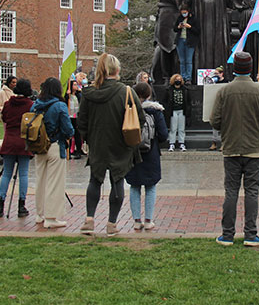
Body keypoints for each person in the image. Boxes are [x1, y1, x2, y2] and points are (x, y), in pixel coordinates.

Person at [211, 51, 259, 246]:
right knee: (252, 192)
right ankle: (250, 234)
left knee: (231, 191)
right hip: (255, 149)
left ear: (234, 68)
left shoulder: (224, 91)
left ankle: (227, 234)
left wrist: (227, 130)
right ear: (250, 68)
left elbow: (215, 120)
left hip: (231, 148)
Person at [78, 53, 143, 236]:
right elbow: (140, 118)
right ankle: (112, 224)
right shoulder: (126, 92)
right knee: (118, 181)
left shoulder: (89, 93)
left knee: (95, 180)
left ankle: (89, 219)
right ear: (118, 70)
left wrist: (88, 139)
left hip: (98, 142)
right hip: (121, 142)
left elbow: (82, 122)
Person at [31, 77, 74, 228]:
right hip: (55, 145)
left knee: (40, 180)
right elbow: (68, 129)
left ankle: (39, 213)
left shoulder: (35, 105)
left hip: (38, 145)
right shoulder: (60, 106)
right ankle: (51, 217)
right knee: (54, 183)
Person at [126, 81, 169, 230]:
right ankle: (149, 220)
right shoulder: (155, 111)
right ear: (149, 94)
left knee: (134, 186)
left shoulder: (129, 109)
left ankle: (137, 221)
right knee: (151, 186)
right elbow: (164, 134)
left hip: (133, 152)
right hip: (151, 153)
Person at [0, 78, 35, 218]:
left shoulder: (8, 103)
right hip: (24, 142)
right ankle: (21, 205)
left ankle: (0, 203)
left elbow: (4, 118)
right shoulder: (31, 105)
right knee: (23, 174)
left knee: (6, 173)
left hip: (9, 141)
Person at [162, 74, 190, 152]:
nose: (178, 81)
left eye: (180, 79)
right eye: (177, 79)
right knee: (173, 128)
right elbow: (165, 101)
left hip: (182, 110)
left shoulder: (185, 90)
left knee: (181, 128)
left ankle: (182, 143)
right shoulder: (169, 90)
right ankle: (172, 143)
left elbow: (188, 101)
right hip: (173, 110)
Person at [175, 7, 198, 84]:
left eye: (185, 12)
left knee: (188, 60)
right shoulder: (179, 18)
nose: (184, 14)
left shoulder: (193, 19)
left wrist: (189, 27)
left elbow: (197, 31)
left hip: (189, 41)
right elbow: (174, 28)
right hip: (180, 40)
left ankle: (188, 78)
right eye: (182, 12)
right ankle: (182, 77)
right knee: (182, 61)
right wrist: (179, 27)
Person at [66, 76, 85, 159]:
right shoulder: (68, 95)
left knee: (77, 134)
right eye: (74, 85)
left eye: (76, 85)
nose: (76, 86)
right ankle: (68, 151)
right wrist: (67, 95)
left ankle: (78, 151)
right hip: (69, 116)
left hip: (76, 117)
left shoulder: (78, 95)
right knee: (69, 134)